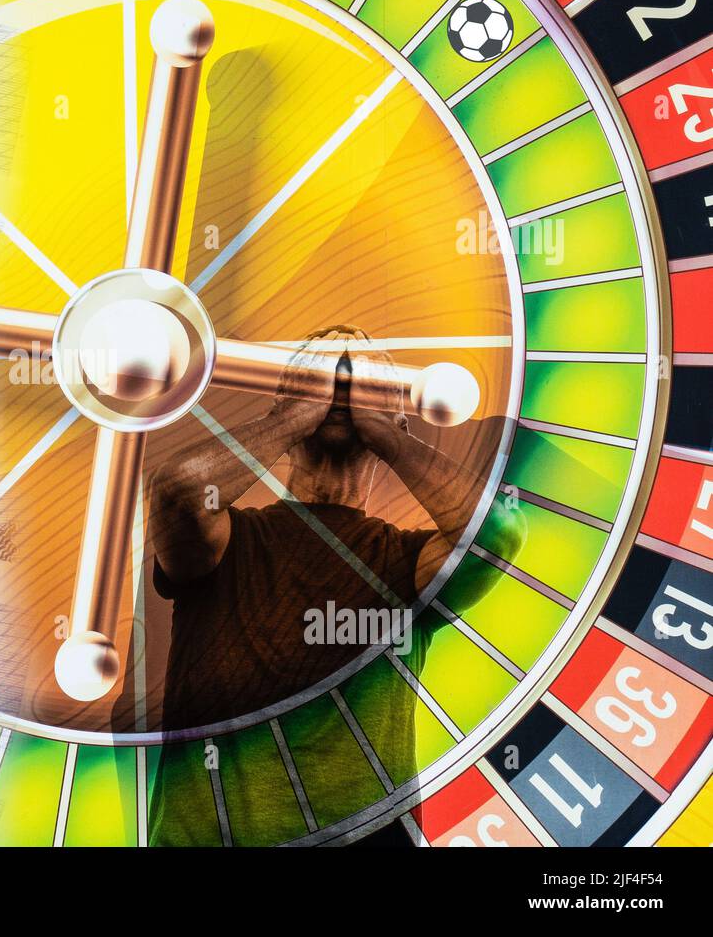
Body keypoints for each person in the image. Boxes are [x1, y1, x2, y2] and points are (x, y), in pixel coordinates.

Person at [146, 326, 523, 844]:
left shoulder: (406, 562)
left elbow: (497, 532)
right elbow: (180, 492)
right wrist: (291, 416)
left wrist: (388, 432)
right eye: (324, 374)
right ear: (289, 398)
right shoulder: (228, 540)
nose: (341, 387)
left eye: (362, 380)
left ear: (397, 416)